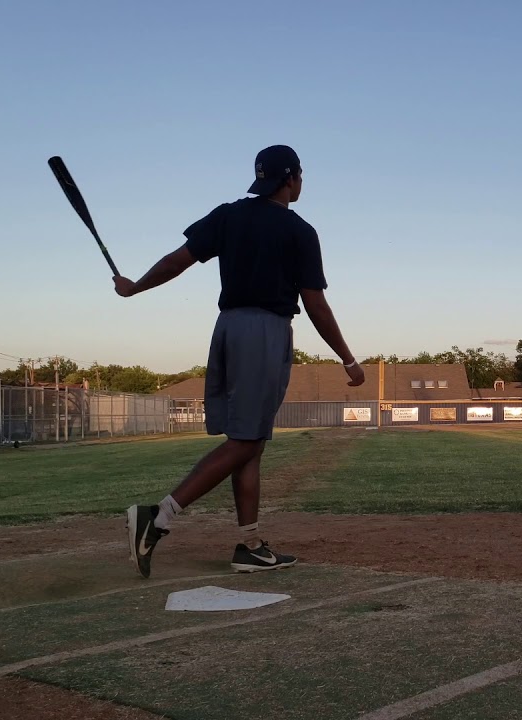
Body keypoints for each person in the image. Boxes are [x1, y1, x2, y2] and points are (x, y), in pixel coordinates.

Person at [112, 144, 365, 578]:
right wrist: (347, 358)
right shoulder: (299, 230)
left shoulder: (228, 215)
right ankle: (158, 517)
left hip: (227, 328)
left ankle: (249, 545)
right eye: (300, 176)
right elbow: (315, 304)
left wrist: (136, 287)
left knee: (250, 440)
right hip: (265, 332)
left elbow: (176, 261)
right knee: (246, 440)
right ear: (291, 178)